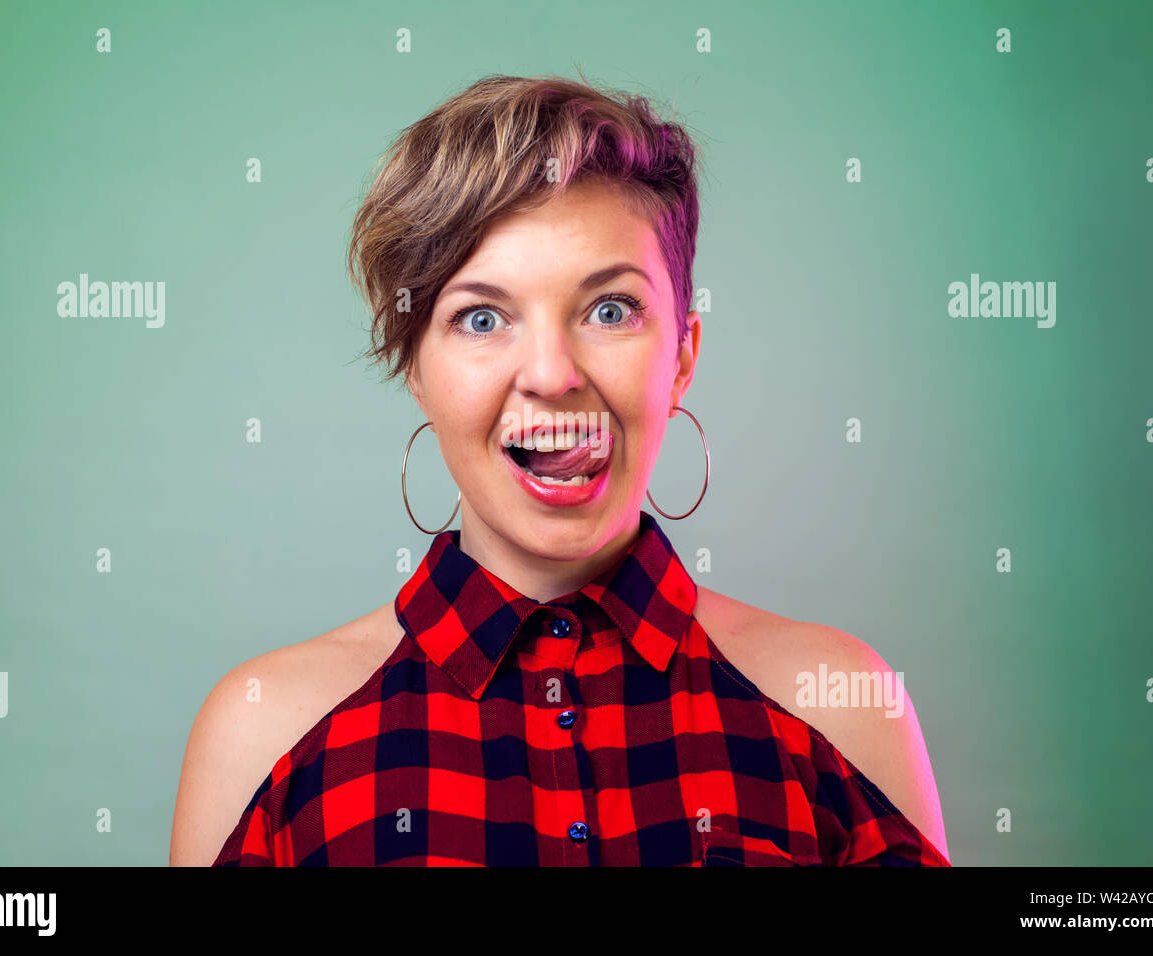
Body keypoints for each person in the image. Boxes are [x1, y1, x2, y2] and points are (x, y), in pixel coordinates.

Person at [169, 72, 950, 866]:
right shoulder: (264, 736)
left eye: (610, 310)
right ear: (415, 369)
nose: (551, 373)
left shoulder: (841, 707)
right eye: (481, 318)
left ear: (682, 355)